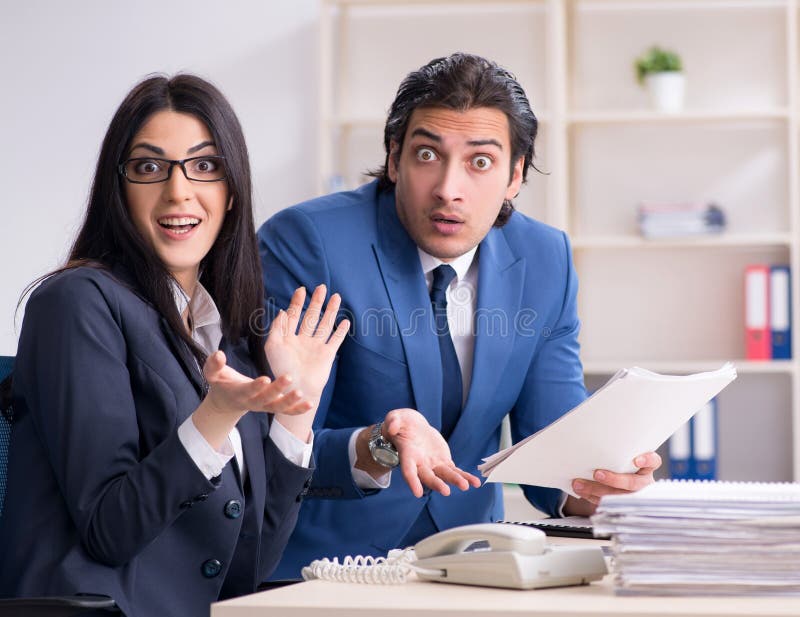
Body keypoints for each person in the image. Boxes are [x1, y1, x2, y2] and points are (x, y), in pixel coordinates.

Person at [258, 52, 662, 578]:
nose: (449, 188)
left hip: (474, 566)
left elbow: (552, 446)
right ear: (394, 155)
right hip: (320, 570)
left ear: (515, 175)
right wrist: (381, 443)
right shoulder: (310, 243)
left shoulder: (545, 258)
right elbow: (276, 446)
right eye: (428, 154)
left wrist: (598, 490)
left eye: (480, 161)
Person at [0, 74, 348, 616]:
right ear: (119, 190)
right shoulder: (75, 303)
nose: (178, 191)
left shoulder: (226, 334)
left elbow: (251, 564)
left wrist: (296, 413)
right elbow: (108, 531)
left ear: (231, 193)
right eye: (148, 167)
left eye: (205, 167)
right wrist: (214, 417)